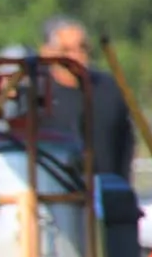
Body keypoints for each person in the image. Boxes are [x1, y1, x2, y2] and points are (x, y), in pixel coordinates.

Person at [37, 16, 137, 182]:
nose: (76, 57)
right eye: (66, 51)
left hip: (107, 191)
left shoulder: (109, 90)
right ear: (47, 53)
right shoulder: (36, 96)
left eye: (82, 48)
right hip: (55, 197)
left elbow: (125, 143)